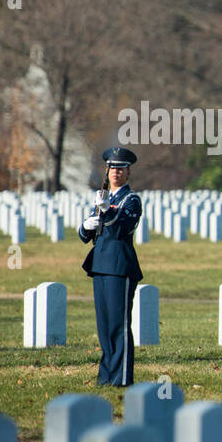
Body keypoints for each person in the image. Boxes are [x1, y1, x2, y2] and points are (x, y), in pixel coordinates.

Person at [77, 146, 143, 387]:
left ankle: (122, 377)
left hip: (119, 265)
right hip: (101, 265)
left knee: (118, 324)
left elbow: (123, 227)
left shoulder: (131, 199)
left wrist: (106, 211)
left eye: (121, 168)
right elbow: (85, 235)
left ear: (128, 172)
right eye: (112, 168)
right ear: (106, 171)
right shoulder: (103, 198)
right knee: (104, 327)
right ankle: (106, 377)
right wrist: (87, 224)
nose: (116, 172)